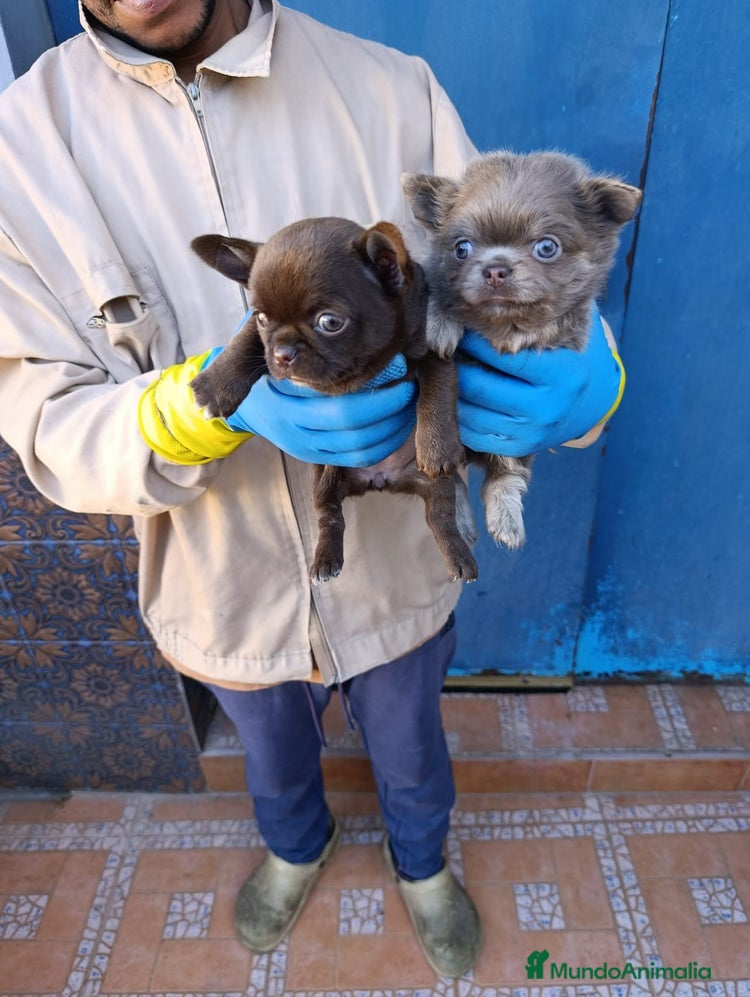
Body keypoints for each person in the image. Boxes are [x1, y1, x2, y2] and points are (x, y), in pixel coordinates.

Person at [0, 0, 624, 979]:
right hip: (220, 579)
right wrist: (184, 413)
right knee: (271, 752)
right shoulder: (22, 144)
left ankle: (423, 862)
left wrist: (590, 374)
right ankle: (298, 846)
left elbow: (521, 263)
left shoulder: (391, 89)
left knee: (411, 740)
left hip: (395, 572)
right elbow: (40, 408)